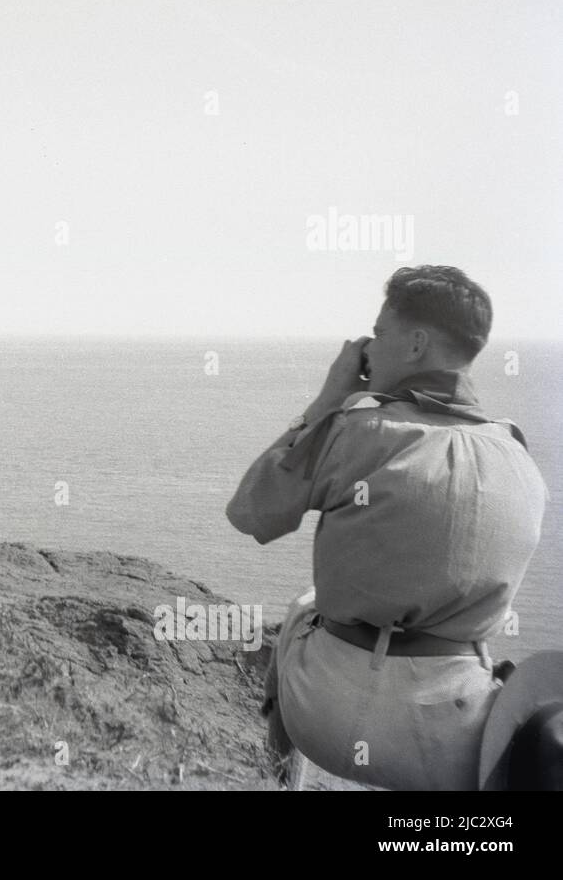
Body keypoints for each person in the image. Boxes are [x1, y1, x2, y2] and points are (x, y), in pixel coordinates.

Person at [226, 265, 549, 790]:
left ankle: (282, 782)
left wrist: (326, 402)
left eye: (379, 333)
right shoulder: (518, 457)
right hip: (453, 746)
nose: (366, 347)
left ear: (416, 344)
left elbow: (251, 511)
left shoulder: (359, 429)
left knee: (303, 604)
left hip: (325, 722)